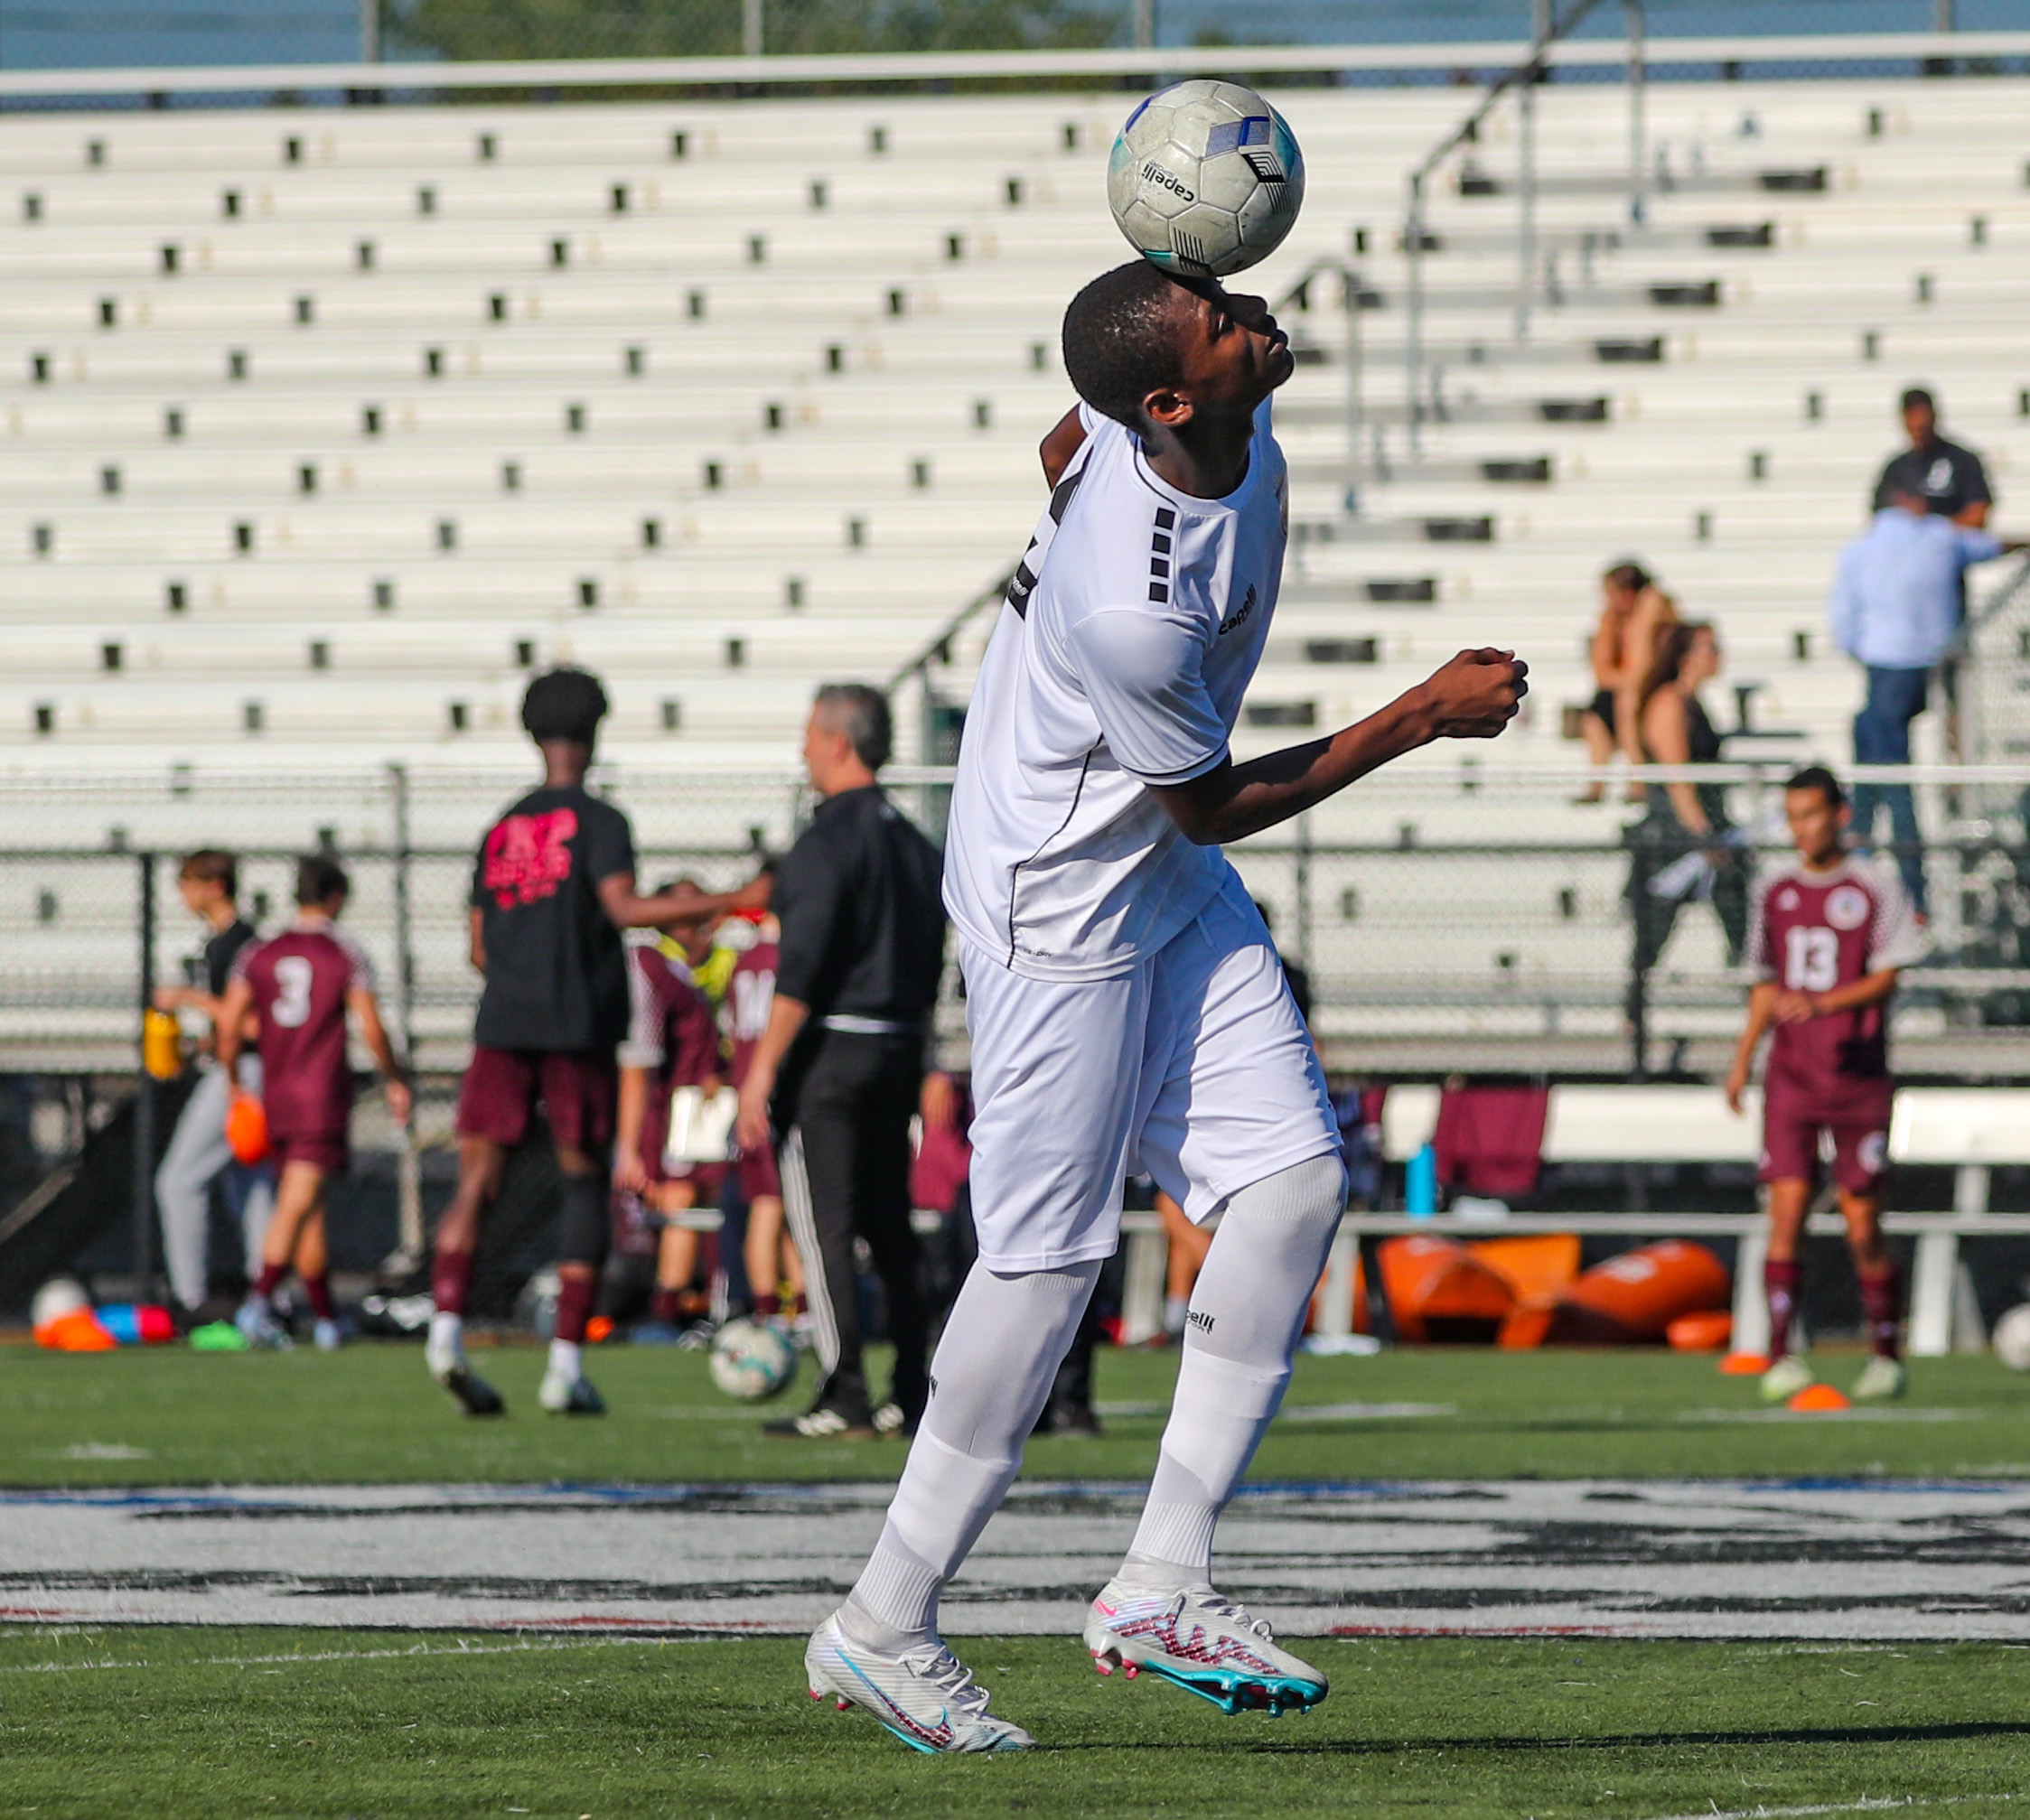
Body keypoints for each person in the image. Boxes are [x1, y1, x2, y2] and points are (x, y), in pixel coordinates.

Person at [799, 259, 1524, 1751]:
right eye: (1215, 317)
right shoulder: (1133, 599)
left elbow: (1080, 437)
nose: (1251, 312)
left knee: (1289, 1187)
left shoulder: (1179, 422)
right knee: (1043, 1266)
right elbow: (1204, 806)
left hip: (1134, 862)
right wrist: (1417, 715)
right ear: (1171, 399)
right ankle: (880, 1619)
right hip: (1063, 897)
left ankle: (1160, 1581)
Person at [426, 668, 762, 1418]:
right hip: (575, 1020)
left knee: (476, 1178)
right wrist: (736, 898)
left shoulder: (501, 825)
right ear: (597, 730)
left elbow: (478, 947)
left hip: (501, 1020)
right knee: (583, 1182)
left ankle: (445, 1331)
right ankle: (565, 1365)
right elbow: (623, 907)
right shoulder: (601, 820)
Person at [734, 684, 946, 1442]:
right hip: (898, 1046)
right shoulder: (918, 845)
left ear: (837, 742)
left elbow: (802, 968)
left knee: (823, 1225)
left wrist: (761, 1071)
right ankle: (913, 1389)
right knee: (891, 1226)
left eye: (808, 734)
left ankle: (845, 1389)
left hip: (831, 1051)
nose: (803, 751)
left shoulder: (825, 841)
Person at [1725, 767, 1927, 1405]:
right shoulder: (1773, 889)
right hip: (1790, 1077)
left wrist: (1825, 1001)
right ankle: (1781, 1353)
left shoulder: (1873, 885)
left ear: (1839, 815)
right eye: (1791, 816)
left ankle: (1885, 1352)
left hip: (1857, 1079)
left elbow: (1891, 973)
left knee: (1861, 1221)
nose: (1800, 829)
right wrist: (1740, 1059)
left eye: (1811, 814)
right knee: (1784, 1210)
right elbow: (1763, 981)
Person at [214, 855, 410, 1350]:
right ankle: (257, 1303)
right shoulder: (344, 953)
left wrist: (235, 1081)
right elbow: (370, 1025)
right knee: (297, 1204)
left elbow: (230, 1024)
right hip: (320, 1095)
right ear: (336, 898)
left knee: (308, 1208)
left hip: (274, 1092)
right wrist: (395, 1077)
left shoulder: (258, 951)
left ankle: (326, 1317)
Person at [1831, 488, 2003, 916]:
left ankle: (1902, 891)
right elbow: (1990, 546)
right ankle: (1877, 876)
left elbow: (1843, 625)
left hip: (1886, 666)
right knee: (1873, 765)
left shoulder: (1863, 550)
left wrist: (1867, 650)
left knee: (1890, 780)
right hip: (1928, 665)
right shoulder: (1940, 537)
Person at [151, 850, 274, 1324]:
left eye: (189, 884)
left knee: (178, 1182)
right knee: (252, 1189)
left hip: (241, 1076)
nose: (182, 895)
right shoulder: (217, 943)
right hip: (232, 1070)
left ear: (215, 885)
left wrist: (187, 999)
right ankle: (268, 1297)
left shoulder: (240, 943)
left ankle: (191, 1300)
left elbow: (252, 1024)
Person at [613, 918, 726, 1345]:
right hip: (687, 1100)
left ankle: (669, 1310)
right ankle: (690, 1303)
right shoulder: (665, 964)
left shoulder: (645, 962)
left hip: (683, 1106)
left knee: (679, 1197)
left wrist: (630, 1148)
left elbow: (641, 1062)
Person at [1627, 621, 1749, 976]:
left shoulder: (1693, 701)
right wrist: (1702, 833)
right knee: (1653, 932)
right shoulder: (1669, 703)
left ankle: (1763, 1003)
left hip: (1703, 826)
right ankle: (1633, 1016)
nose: (1718, 656)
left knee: (1739, 914)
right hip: (1675, 834)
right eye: (1709, 647)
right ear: (1686, 656)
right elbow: (1677, 778)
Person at [724, 901, 804, 1327]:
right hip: (776, 1087)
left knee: (781, 1202)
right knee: (773, 1203)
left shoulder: (742, 961)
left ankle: (799, 1303)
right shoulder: (787, 957)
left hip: (745, 1085)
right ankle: (767, 1307)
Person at [1575, 564, 1674, 803]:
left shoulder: (1656, 611)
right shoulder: (1612, 616)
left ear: (1628, 593)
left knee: (1626, 704)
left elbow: (1643, 667)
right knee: (1593, 719)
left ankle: (1638, 781)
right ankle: (1598, 785)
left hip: (1654, 690)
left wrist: (1646, 611)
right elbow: (1602, 671)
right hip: (1625, 688)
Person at [1871, 387, 1992, 528]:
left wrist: (1932, 525)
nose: (1919, 425)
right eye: (1913, 419)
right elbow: (1879, 521)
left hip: (1952, 543)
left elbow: (1978, 516)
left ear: (1934, 417)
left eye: (1923, 419)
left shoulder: (1962, 461)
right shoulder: (1896, 469)